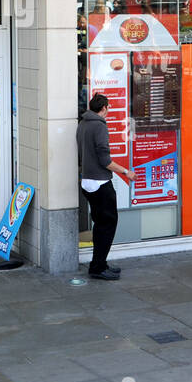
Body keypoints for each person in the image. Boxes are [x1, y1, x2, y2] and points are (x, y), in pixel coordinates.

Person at [77, 93, 135, 280]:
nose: (108, 111)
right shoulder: (99, 126)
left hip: (87, 181)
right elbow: (105, 160)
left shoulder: (83, 123)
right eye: (108, 107)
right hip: (100, 182)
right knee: (107, 225)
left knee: (100, 224)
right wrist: (126, 172)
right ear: (103, 108)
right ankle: (98, 267)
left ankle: (99, 263)